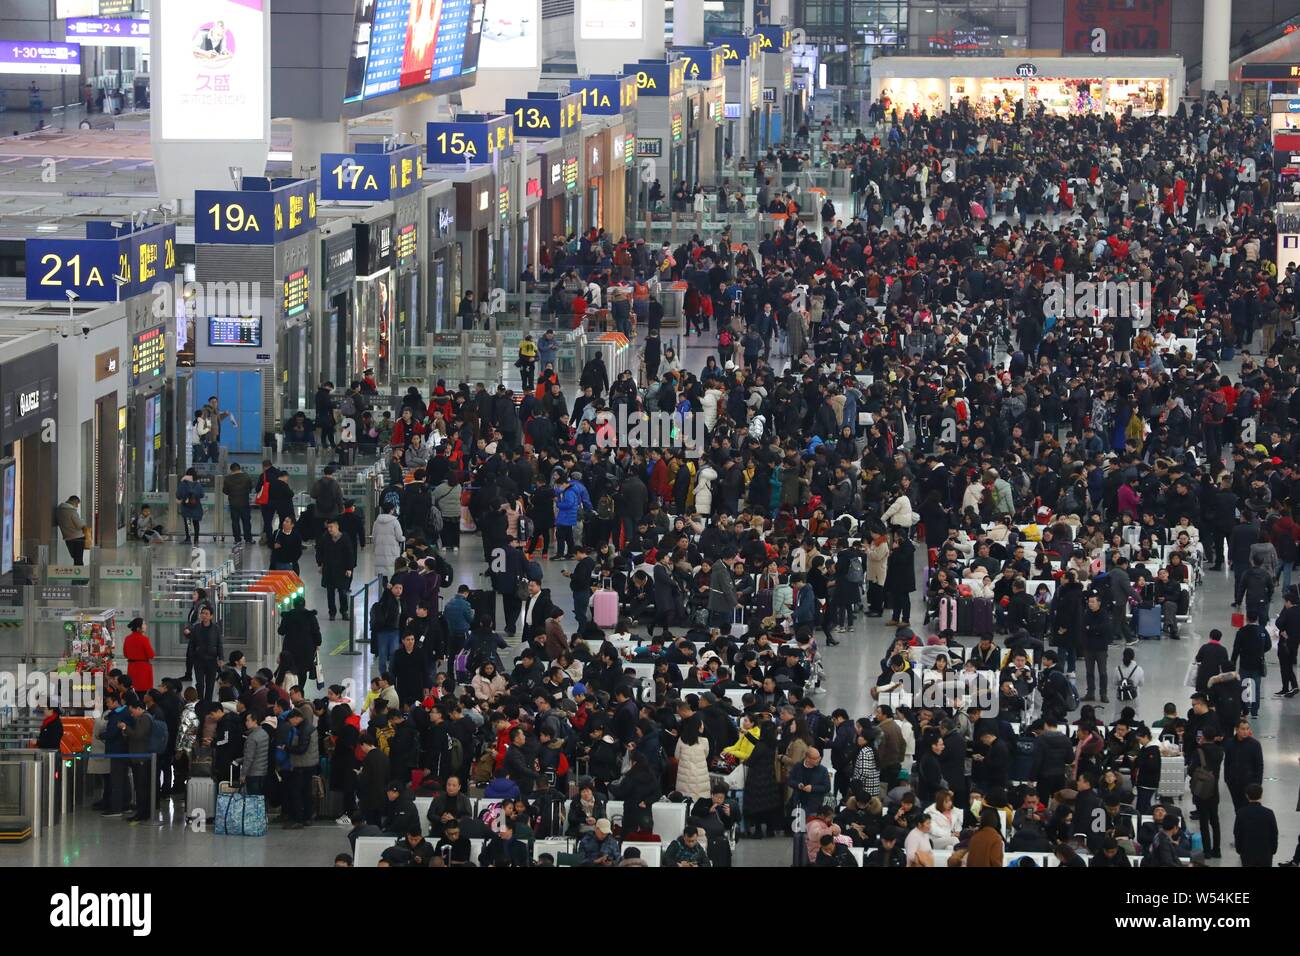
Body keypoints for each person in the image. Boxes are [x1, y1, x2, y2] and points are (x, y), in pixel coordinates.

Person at [317, 518, 356, 620]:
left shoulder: (344, 538)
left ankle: (344, 611)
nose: (329, 529)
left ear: (337, 526)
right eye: (328, 527)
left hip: (341, 570)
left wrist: (349, 568)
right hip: (329, 570)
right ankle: (332, 612)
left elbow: (349, 554)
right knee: (330, 592)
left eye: (331, 527)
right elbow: (319, 551)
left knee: (342, 591)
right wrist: (320, 564)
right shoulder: (325, 538)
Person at [1233, 784, 1278, 867]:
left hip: (1247, 851)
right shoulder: (1269, 813)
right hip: (1265, 852)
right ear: (1261, 795)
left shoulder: (1241, 813)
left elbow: (1237, 833)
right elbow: (1274, 833)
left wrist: (1239, 849)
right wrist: (1273, 849)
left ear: (1247, 795)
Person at [121, 618, 155, 694]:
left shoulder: (127, 638)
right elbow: (151, 655)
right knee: (143, 691)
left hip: (131, 667)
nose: (146, 626)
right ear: (138, 628)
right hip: (143, 668)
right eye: (144, 624)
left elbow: (125, 654)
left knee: (133, 689)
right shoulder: (144, 639)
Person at [223, 462, 253, 544]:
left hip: (233, 503)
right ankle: (248, 539)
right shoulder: (246, 476)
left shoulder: (227, 478)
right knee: (246, 521)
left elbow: (225, 491)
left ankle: (237, 539)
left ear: (231, 470)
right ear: (239, 468)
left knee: (235, 522)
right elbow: (250, 488)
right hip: (244, 502)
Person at [55, 495, 89, 565]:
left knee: (74, 557)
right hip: (78, 537)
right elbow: (79, 525)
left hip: (67, 537)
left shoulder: (59, 510)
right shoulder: (71, 511)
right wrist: (82, 521)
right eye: (77, 504)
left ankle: (76, 573)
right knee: (78, 559)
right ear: (74, 501)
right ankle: (79, 574)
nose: (77, 506)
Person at [177, 468, 205, 543]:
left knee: (188, 523)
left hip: (186, 507)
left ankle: (188, 539)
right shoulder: (197, 484)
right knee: (196, 523)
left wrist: (185, 496)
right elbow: (202, 495)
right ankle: (196, 539)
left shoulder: (183, 483)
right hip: (196, 506)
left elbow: (178, 495)